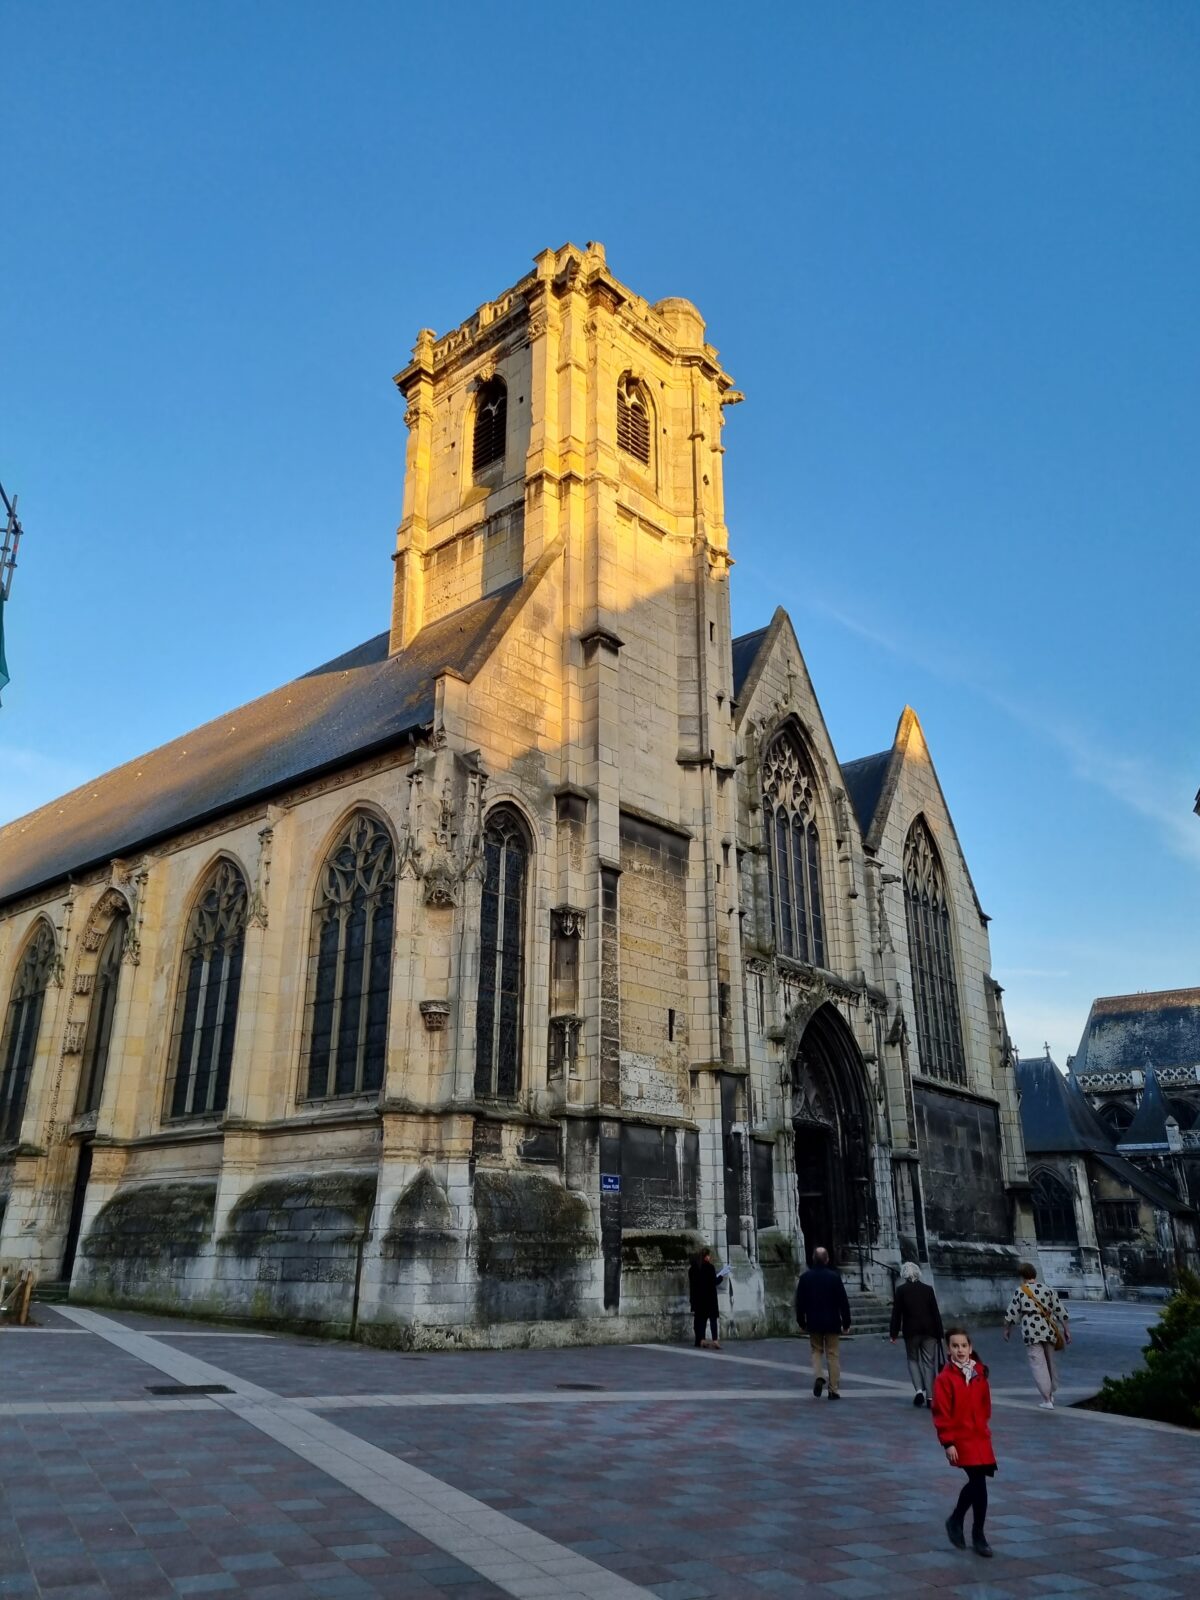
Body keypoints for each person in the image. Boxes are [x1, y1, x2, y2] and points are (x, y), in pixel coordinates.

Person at [931, 1326, 996, 1559]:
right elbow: (941, 1412)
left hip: (980, 1436)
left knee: (980, 1485)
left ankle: (960, 1522)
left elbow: (985, 1405)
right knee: (978, 1483)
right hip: (961, 1438)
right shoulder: (944, 1379)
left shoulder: (979, 1373)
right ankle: (975, 1533)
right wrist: (948, 1442)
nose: (960, 1350)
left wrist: (983, 1425)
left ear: (970, 1347)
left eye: (964, 1345)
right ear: (948, 1349)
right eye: (955, 1346)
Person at [1003, 1260, 1070, 1408]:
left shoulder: (1021, 1291)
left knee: (1038, 1364)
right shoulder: (1047, 1289)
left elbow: (1012, 1313)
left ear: (1022, 1276)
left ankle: (1046, 1399)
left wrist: (1007, 1329)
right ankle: (1051, 1393)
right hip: (1048, 1328)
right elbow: (1060, 1310)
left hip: (1031, 1331)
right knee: (1050, 1362)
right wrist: (1066, 1330)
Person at [794, 1246, 851, 1399]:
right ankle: (833, 1390)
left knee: (816, 1351)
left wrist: (801, 1322)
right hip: (832, 1321)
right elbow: (843, 1302)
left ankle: (819, 1375)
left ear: (813, 1259)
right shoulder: (834, 1277)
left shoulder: (805, 1278)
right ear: (827, 1259)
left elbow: (800, 1303)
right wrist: (846, 1323)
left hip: (814, 1321)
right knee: (833, 1354)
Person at [890, 1261, 944, 1407]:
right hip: (930, 1330)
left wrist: (893, 1333)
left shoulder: (901, 1290)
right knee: (929, 1362)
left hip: (911, 1331)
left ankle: (919, 1390)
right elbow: (935, 1312)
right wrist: (940, 1333)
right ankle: (930, 1397)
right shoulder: (928, 1289)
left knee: (912, 1359)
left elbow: (897, 1314)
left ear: (904, 1275)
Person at [688, 1246, 721, 1349]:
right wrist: (720, 1277)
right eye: (709, 1256)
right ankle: (715, 1340)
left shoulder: (693, 1269)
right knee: (713, 1319)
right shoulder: (710, 1267)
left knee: (702, 1319)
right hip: (710, 1298)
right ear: (706, 1256)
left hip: (699, 1298)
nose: (710, 1258)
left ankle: (702, 1340)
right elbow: (714, 1282)